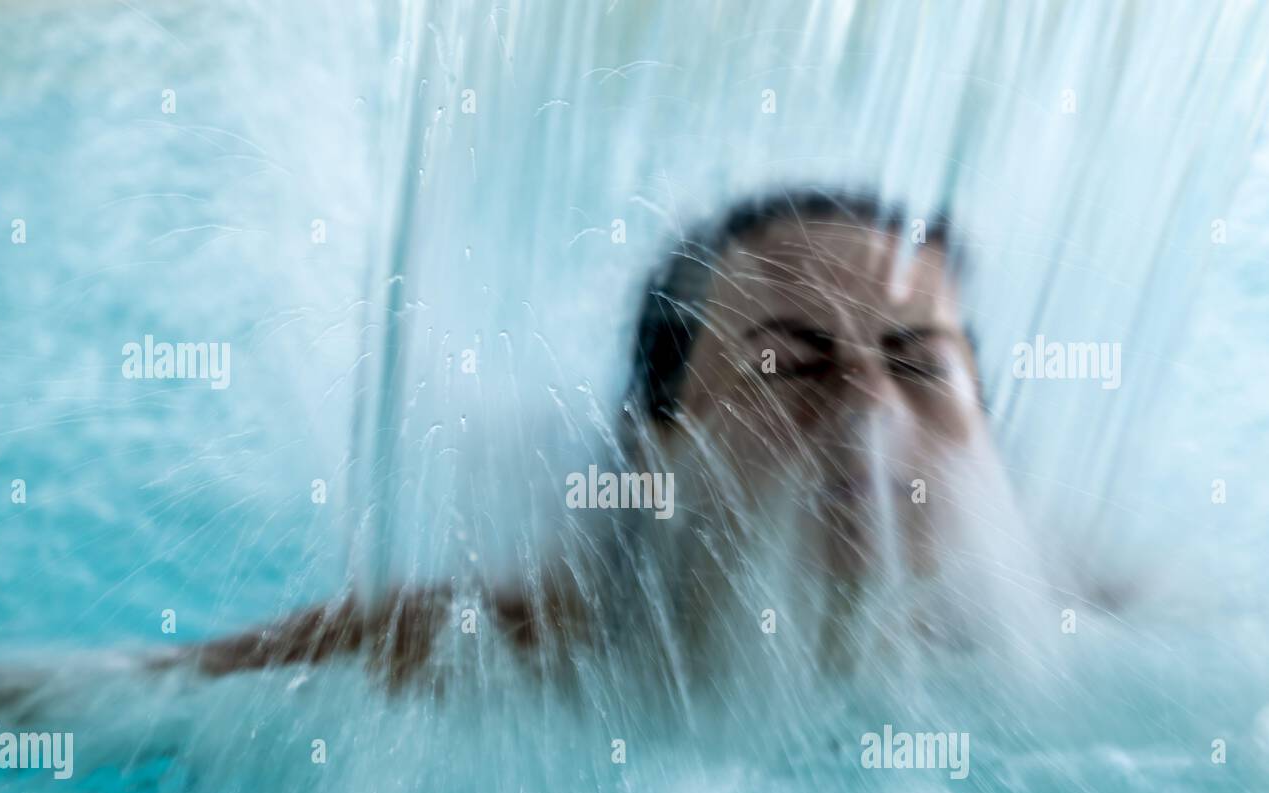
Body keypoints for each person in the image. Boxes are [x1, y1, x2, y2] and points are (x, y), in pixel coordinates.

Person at [140, 186, 1026, 691]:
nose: (868, 407)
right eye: (792, 365)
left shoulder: (1086, 641)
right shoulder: (506, 652)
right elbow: (102, 701)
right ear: (659, 443)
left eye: (918, 362)